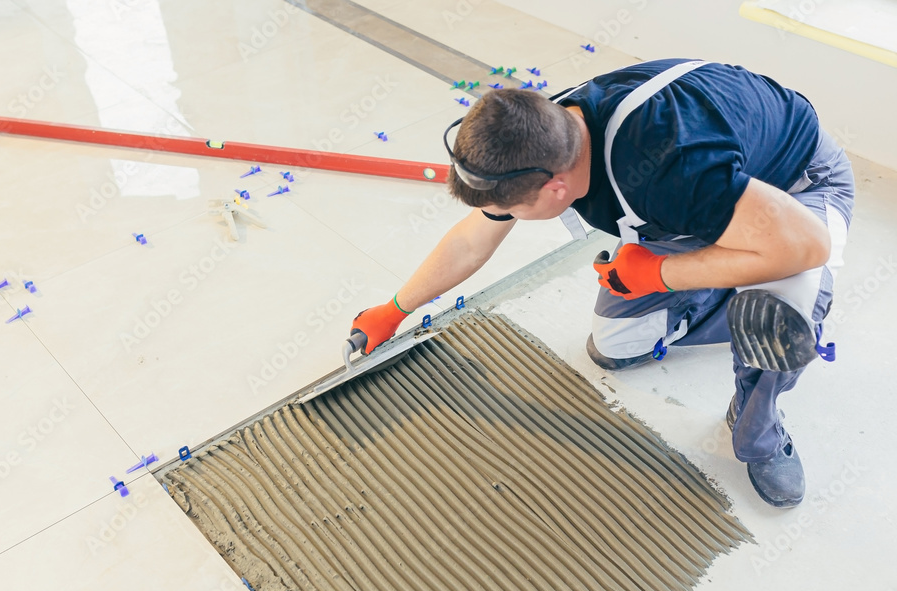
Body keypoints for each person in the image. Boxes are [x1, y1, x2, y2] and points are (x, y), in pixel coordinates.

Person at [348, 58, 854, 509]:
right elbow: (471, 241)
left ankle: (758, 430)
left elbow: (807, 247)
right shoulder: (547, 127)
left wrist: (657, 272)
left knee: (776, 314)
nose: (503, 216)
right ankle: (729, 283)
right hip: (710, 204)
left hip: (795, 193)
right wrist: (394, 309)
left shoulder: (677, 169)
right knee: (616, 345)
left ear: (556, 188)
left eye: (511, 209)